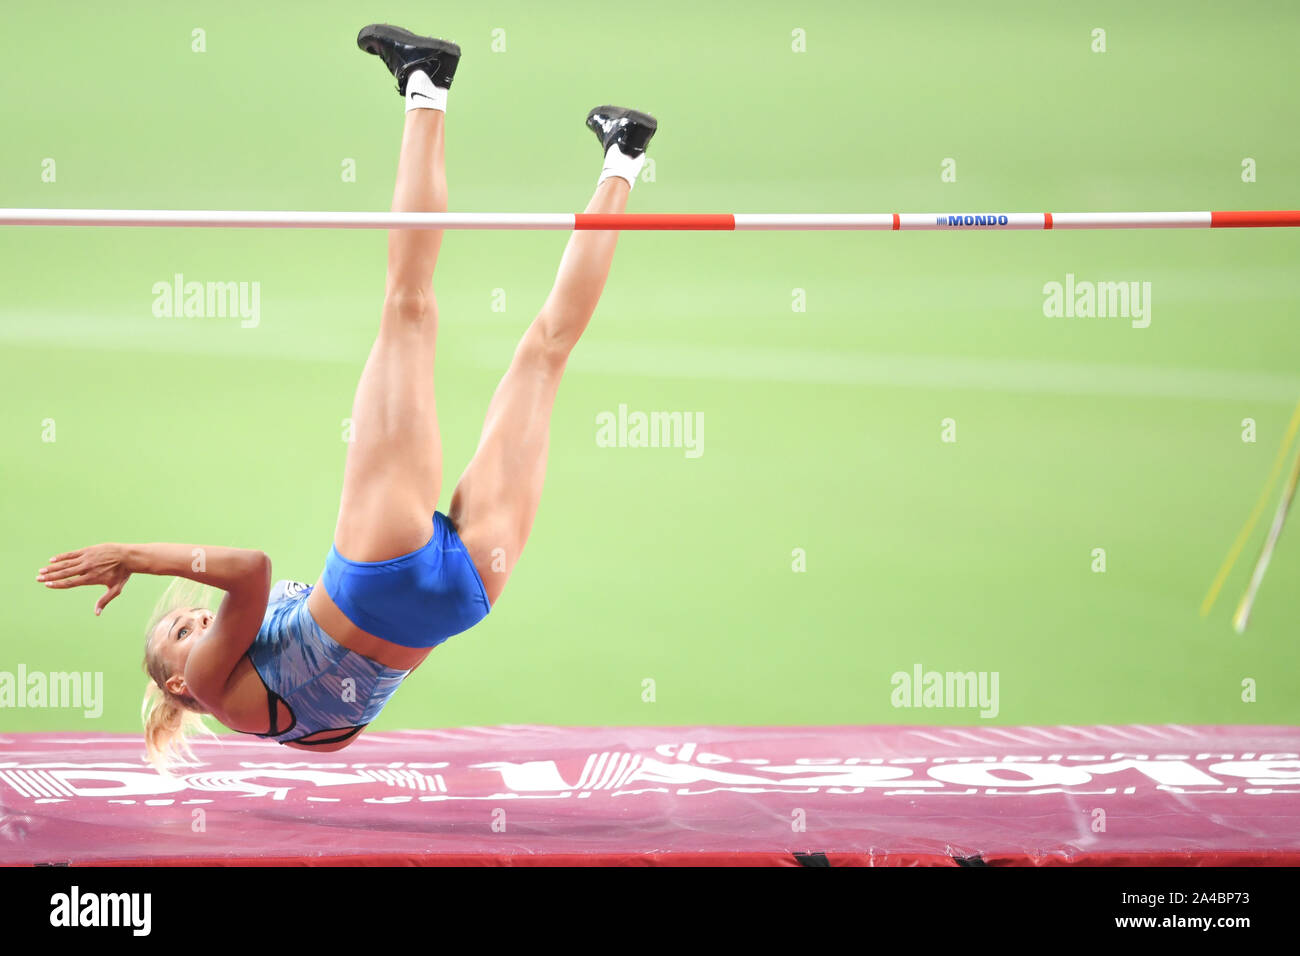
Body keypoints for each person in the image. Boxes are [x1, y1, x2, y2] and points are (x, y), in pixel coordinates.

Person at [35, 24, 657, 767]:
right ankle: (426, 81)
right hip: (382, 571)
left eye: (188, 620)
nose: (197, 621)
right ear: (176, 683)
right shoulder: (208, 688)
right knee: (409, 307)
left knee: (544, 353)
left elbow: (328, 672)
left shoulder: (289, 719)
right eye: (181, 632)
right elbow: (252, 570)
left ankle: (625, 155)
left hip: (462, 593)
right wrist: (135, 554)